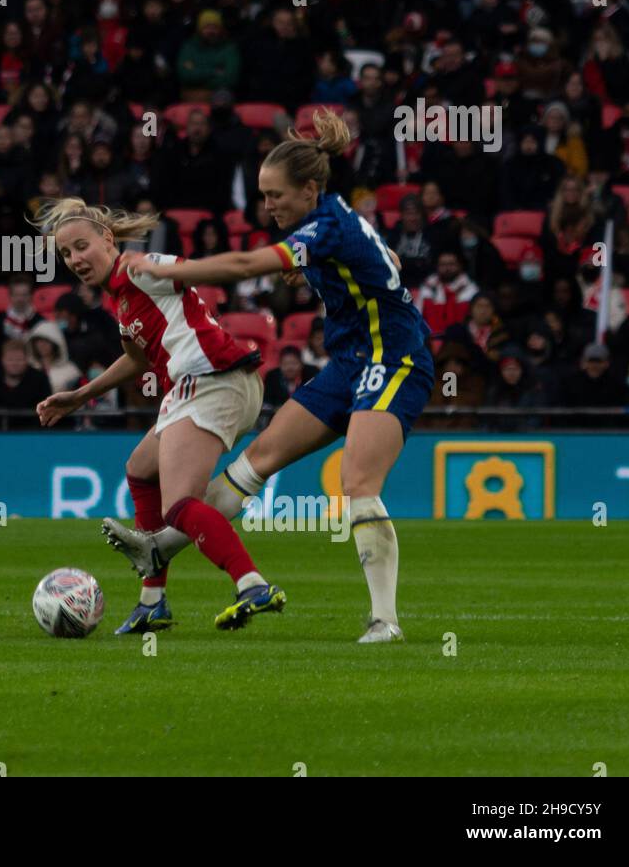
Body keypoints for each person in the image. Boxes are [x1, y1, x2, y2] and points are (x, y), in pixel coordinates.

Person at [104, 109, 434, 644]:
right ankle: (160, 546)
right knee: (255, 462)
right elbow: (386, 256)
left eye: (275, 195)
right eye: (261, 195)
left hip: (394, 359)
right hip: (349, 362)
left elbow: (240, 267)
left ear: (309, 189)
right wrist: (315, 265)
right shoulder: (327, 224)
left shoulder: (329, 226)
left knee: (358, 485)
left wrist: (168, 270)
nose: (267, 205)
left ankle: (385, 620)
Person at [33, 197, 285, 635]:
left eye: (81, 246)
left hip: (212, 380)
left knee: (180, 505)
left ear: (107, 239)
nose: (75, 259)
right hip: (200, 387)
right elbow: (136, 358)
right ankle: (152, 601)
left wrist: (277, 266)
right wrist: (81, 395)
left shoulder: (138, 268)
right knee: (140, 470)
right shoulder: (123, 300)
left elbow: (203, 270)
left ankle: (252, 584)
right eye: (66, 254)